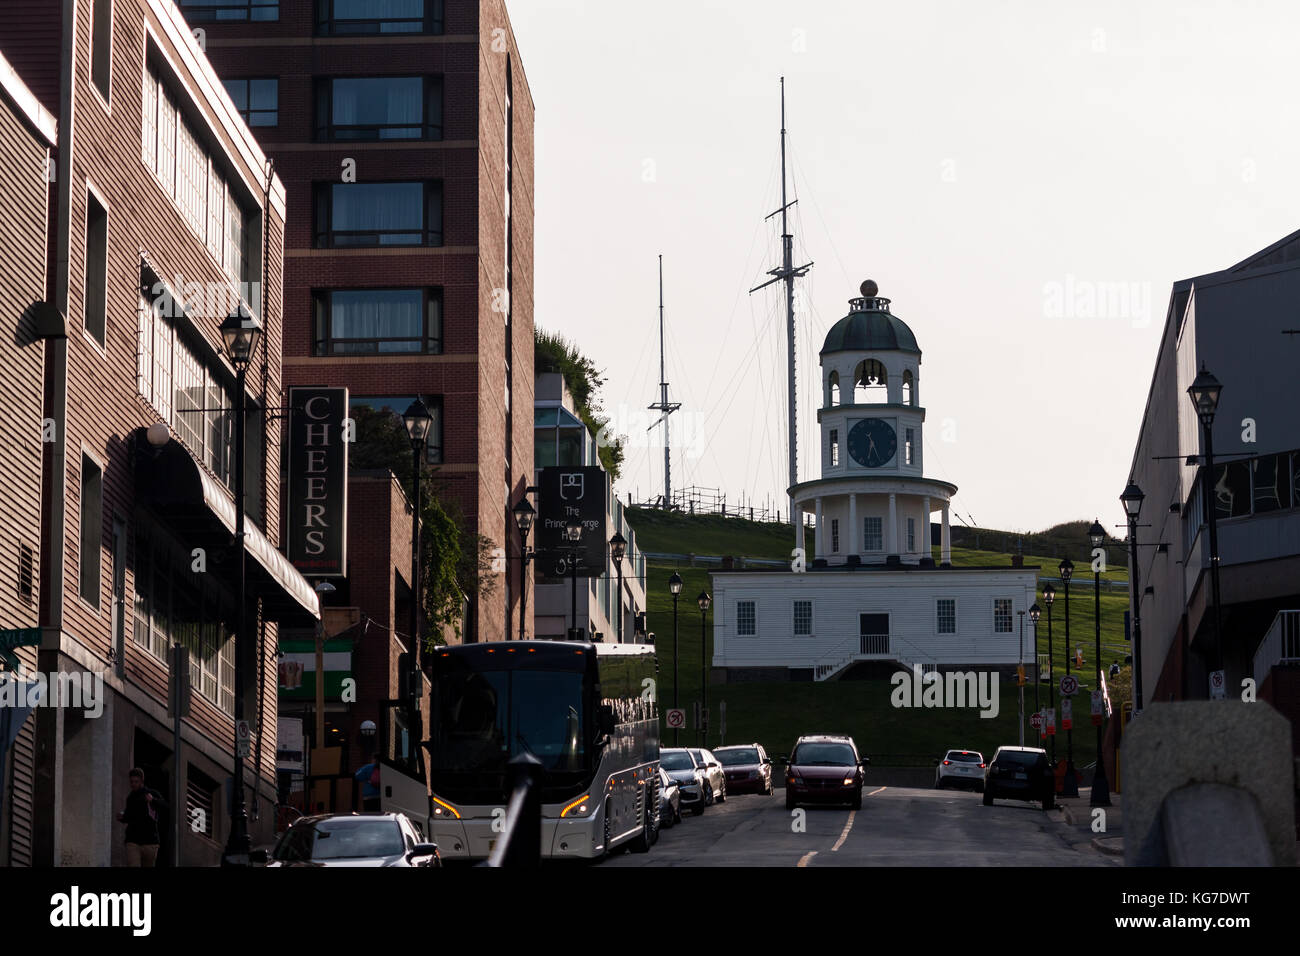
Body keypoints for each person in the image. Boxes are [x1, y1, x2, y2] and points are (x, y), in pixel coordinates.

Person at [118, 768, 166, 866]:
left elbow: (165, 806)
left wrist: (153, 800)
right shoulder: (130, 798)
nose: (133, 784)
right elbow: (129, 817)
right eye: (131, 782)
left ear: (142, 781)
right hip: (133, 842)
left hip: (150, 843)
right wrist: (122, 818)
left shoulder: (151, 793)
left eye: (136, 781)